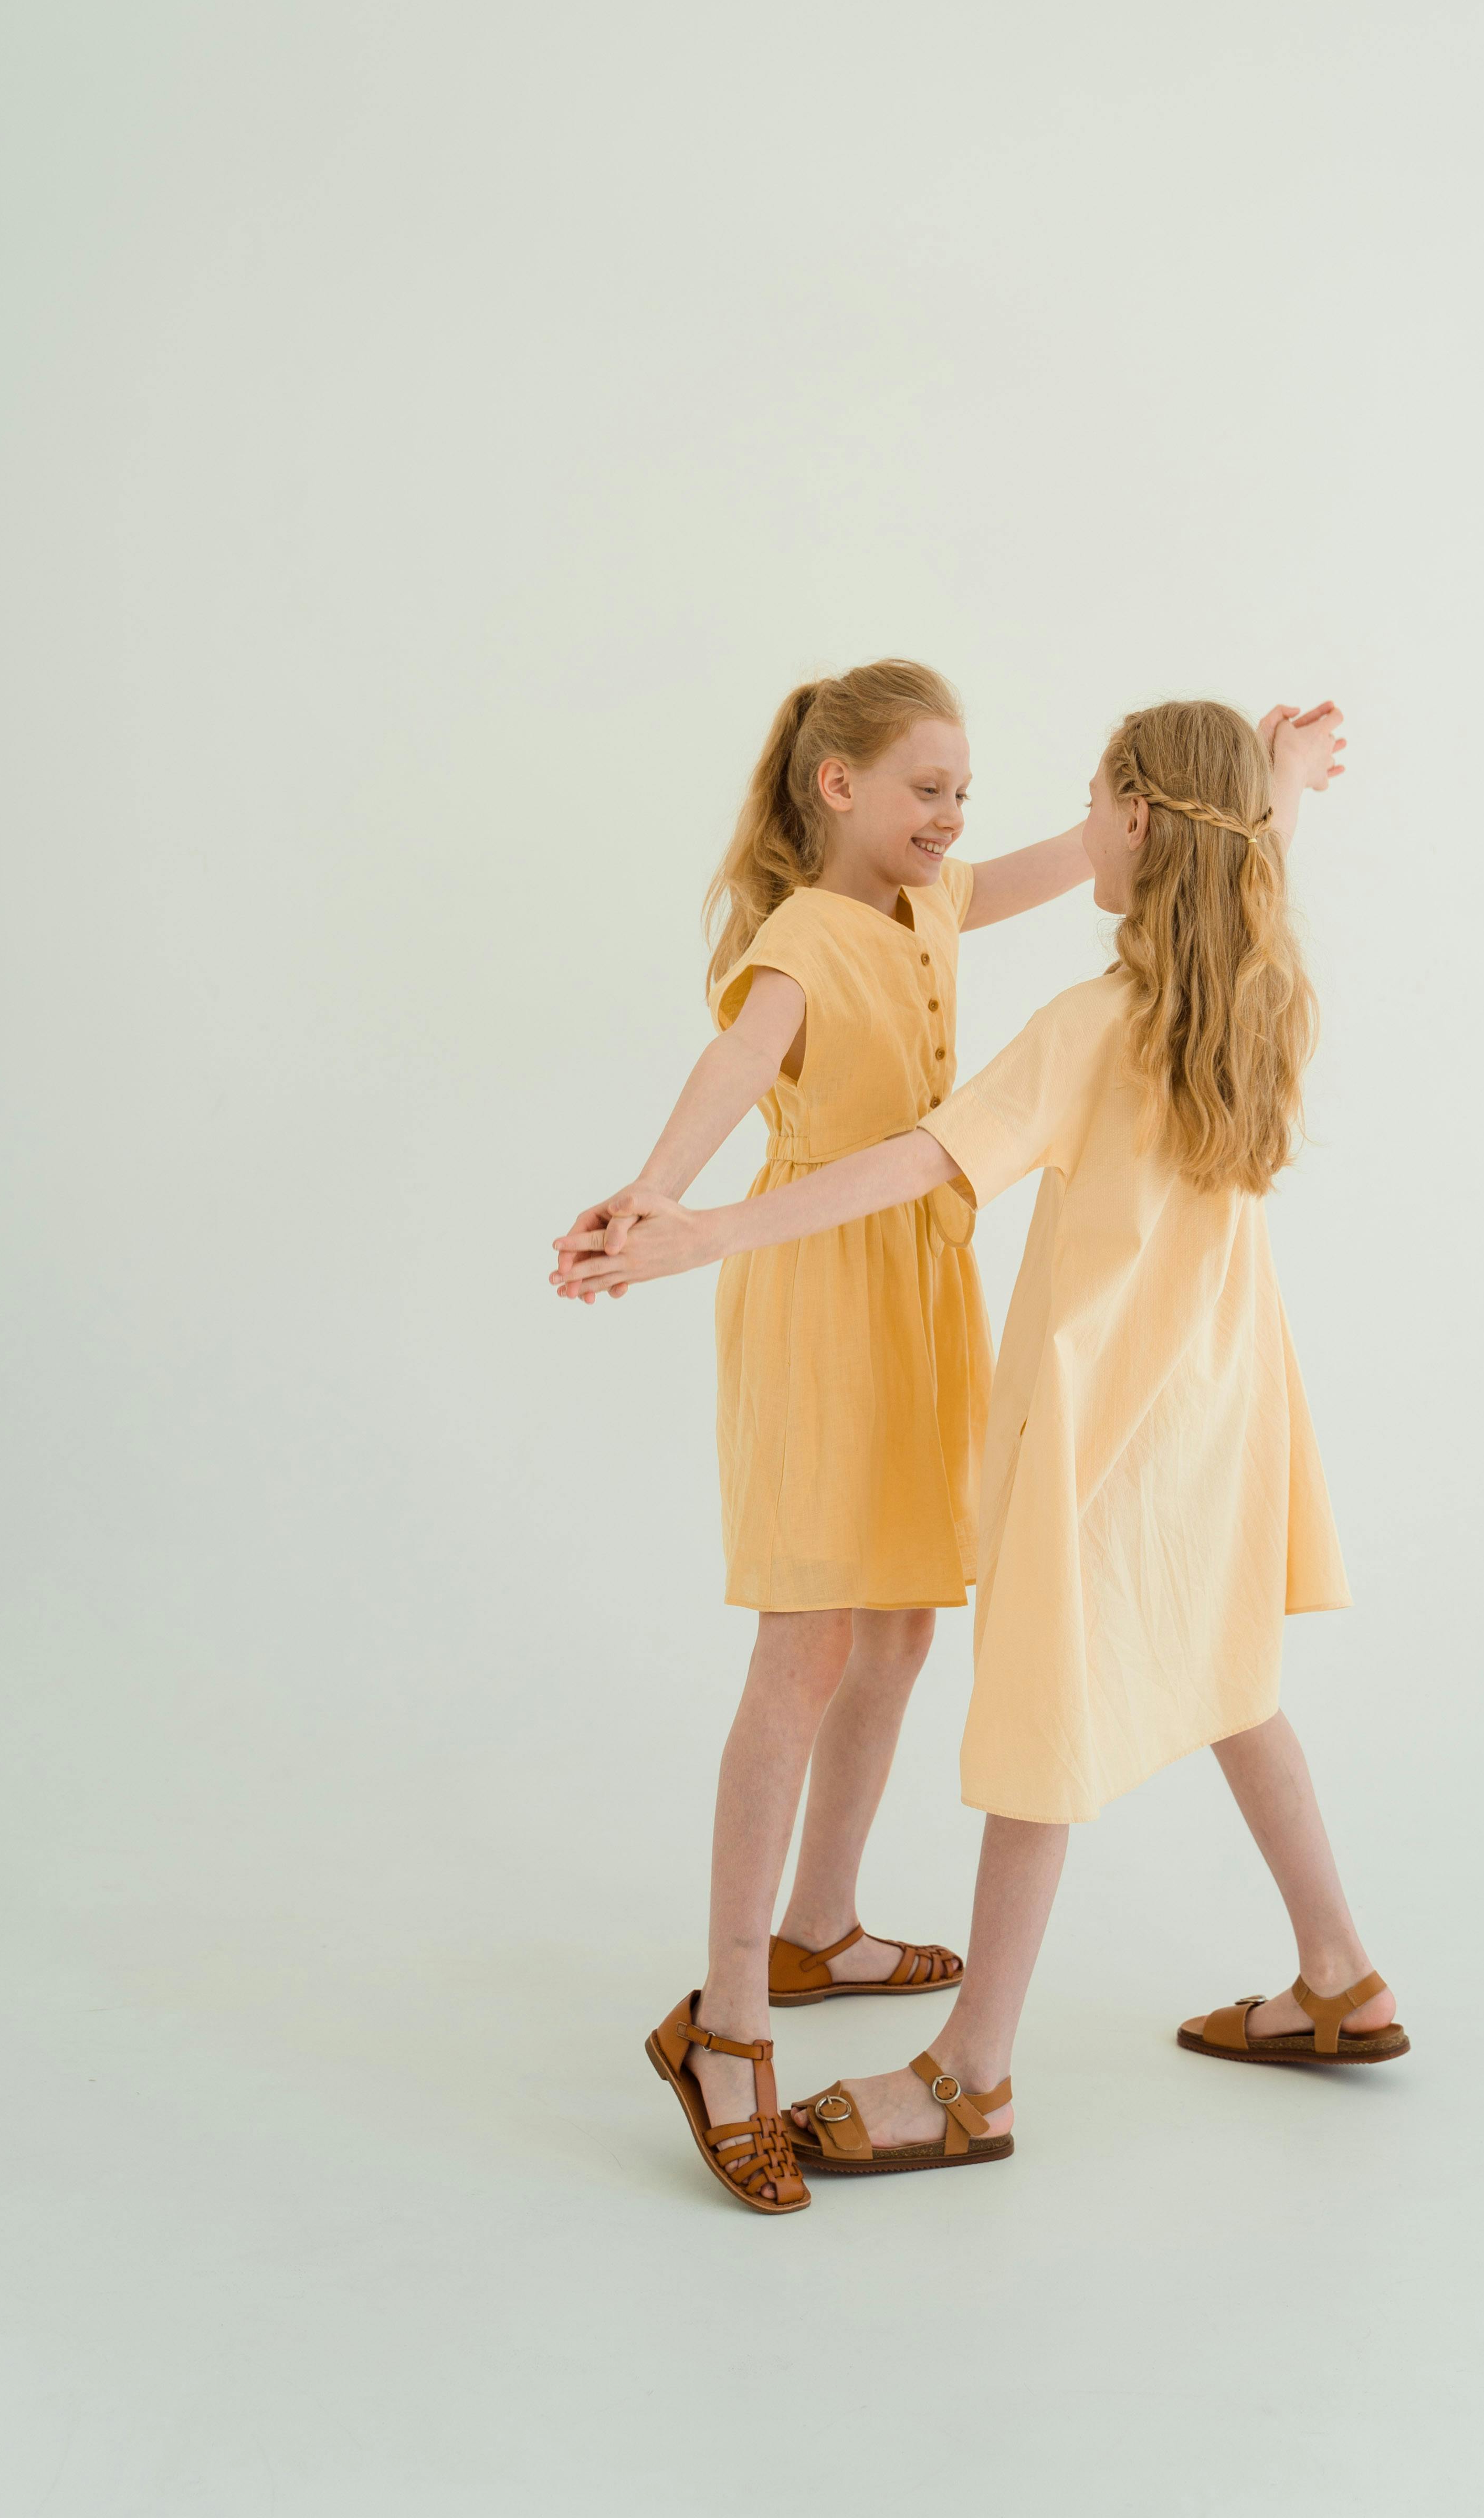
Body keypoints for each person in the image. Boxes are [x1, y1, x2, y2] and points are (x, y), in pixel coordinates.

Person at [562, 694, 1391, 2206]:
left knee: (1036, 1723)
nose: (1070, 834)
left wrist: (710, 1230)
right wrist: (1274, 784)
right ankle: (1339, 1974)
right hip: (1223, 1412)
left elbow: (918, 1161)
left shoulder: (1088, 1032)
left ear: (1135, 825)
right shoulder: (1264, 995)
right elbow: (1232, 862)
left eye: (1095, 807)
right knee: (1235, 1680)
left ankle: (973, 2072)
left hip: (1098, 1422)